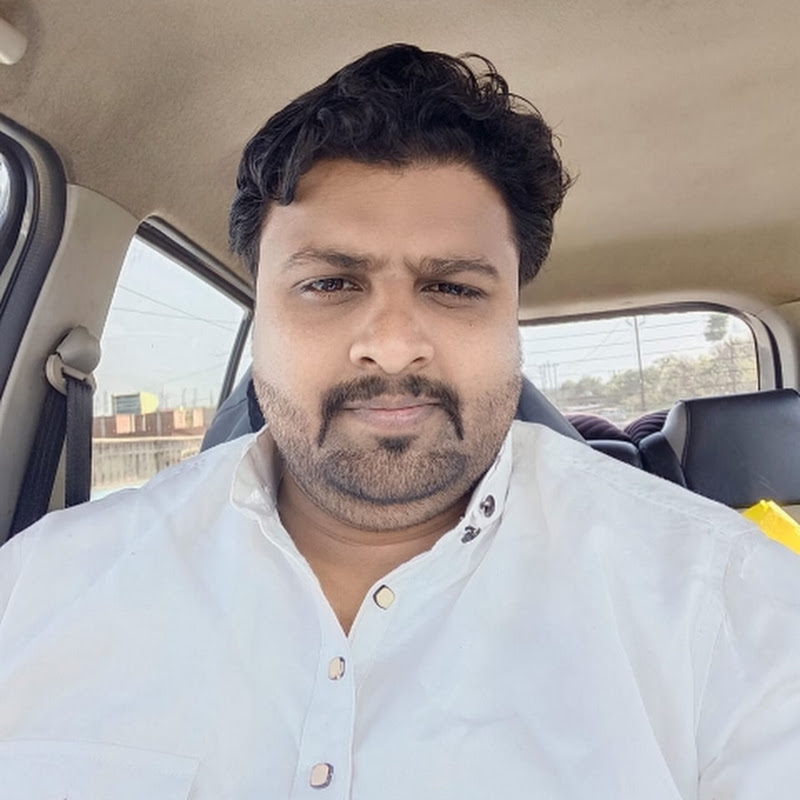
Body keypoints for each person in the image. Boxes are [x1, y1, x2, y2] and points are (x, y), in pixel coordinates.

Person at [1, 43, 799, 799]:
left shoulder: (730, 606)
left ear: (513, 321)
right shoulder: (38, 589)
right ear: (261, 314)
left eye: (452, 288)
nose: (390, 345)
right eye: (329, 284)